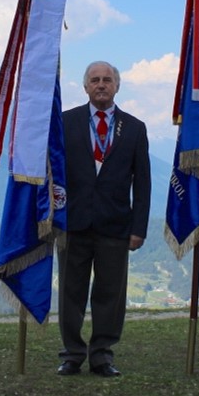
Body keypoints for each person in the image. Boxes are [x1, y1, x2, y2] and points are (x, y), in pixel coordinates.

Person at [57, 61, 150, 378]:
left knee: (110, 294)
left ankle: (102, 355)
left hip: (115, 225)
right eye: (94, 80)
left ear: (117, 86)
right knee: (71, 292)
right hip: (72, 223)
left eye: (107, 80)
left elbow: (144, 183)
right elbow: (52, 174)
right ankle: (72, 354)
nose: (101, 85)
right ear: (85, 87)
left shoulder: (134, 128)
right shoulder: (64, 122)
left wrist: (139, 227)